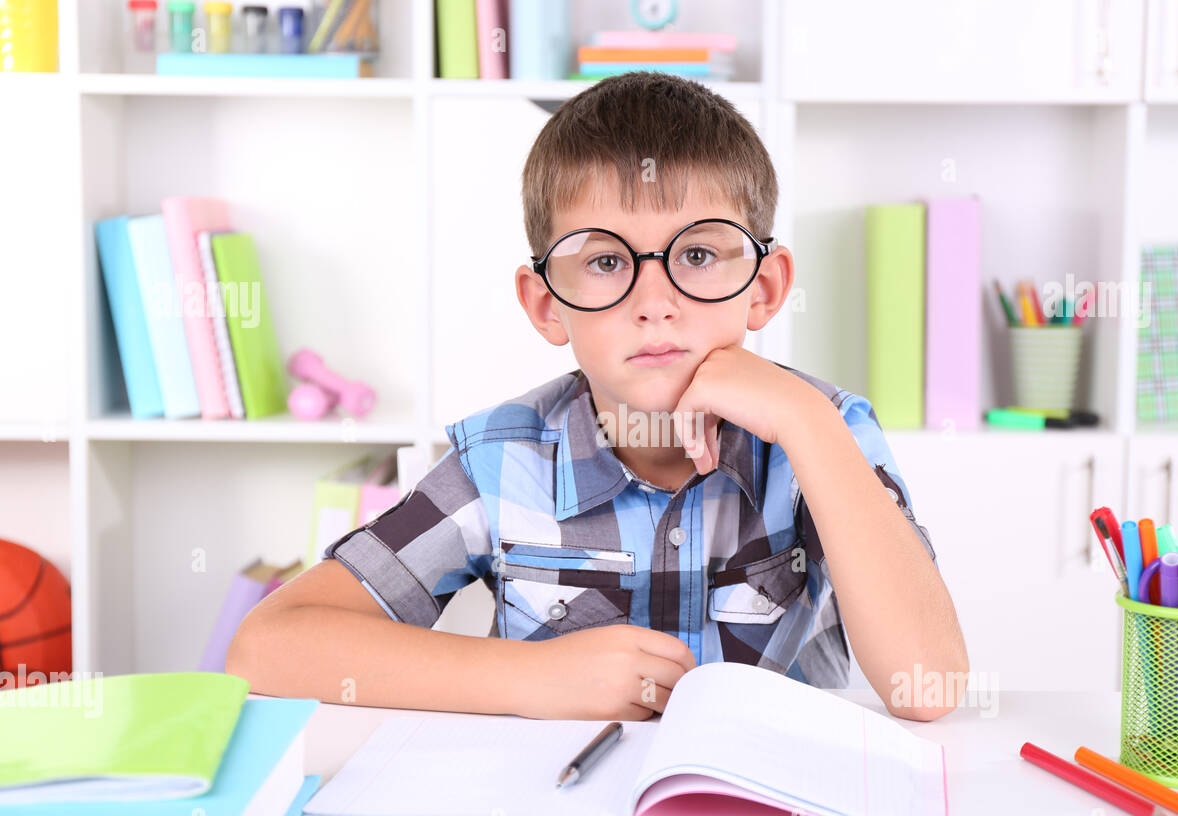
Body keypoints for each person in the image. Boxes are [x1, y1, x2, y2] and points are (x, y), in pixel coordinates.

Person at [227, 72, 968, 722]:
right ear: (548, 303)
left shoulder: (824, 432)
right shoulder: (501, 459)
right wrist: (532, 676)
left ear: (765, 288)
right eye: (608, 261)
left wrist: (806, 421)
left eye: (700, 254)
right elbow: (269, 647)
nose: (655, 302)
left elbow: (927, 684)